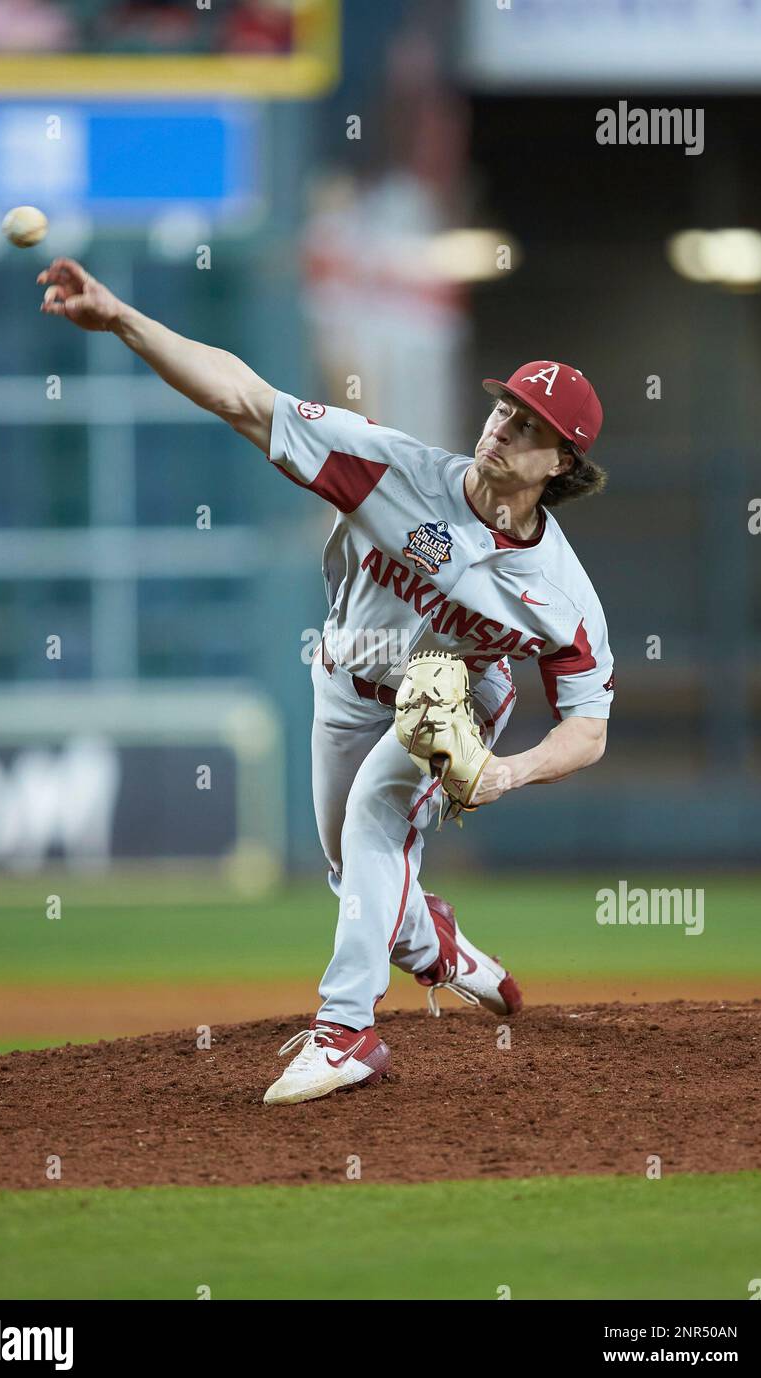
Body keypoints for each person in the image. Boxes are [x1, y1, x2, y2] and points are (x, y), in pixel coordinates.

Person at [37, 257, 614, 1106]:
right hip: (345, 681)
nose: (502, 427)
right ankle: (435, 946)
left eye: (529, 426)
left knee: (378, 814)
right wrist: (121, 316)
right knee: (354, 872)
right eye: (503, 407)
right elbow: (243, 397)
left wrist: (508, 772)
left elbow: (588, 729)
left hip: (448, 704)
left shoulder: (562, 595)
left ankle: (348, 1032)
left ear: (562, 464)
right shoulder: (393, 468)